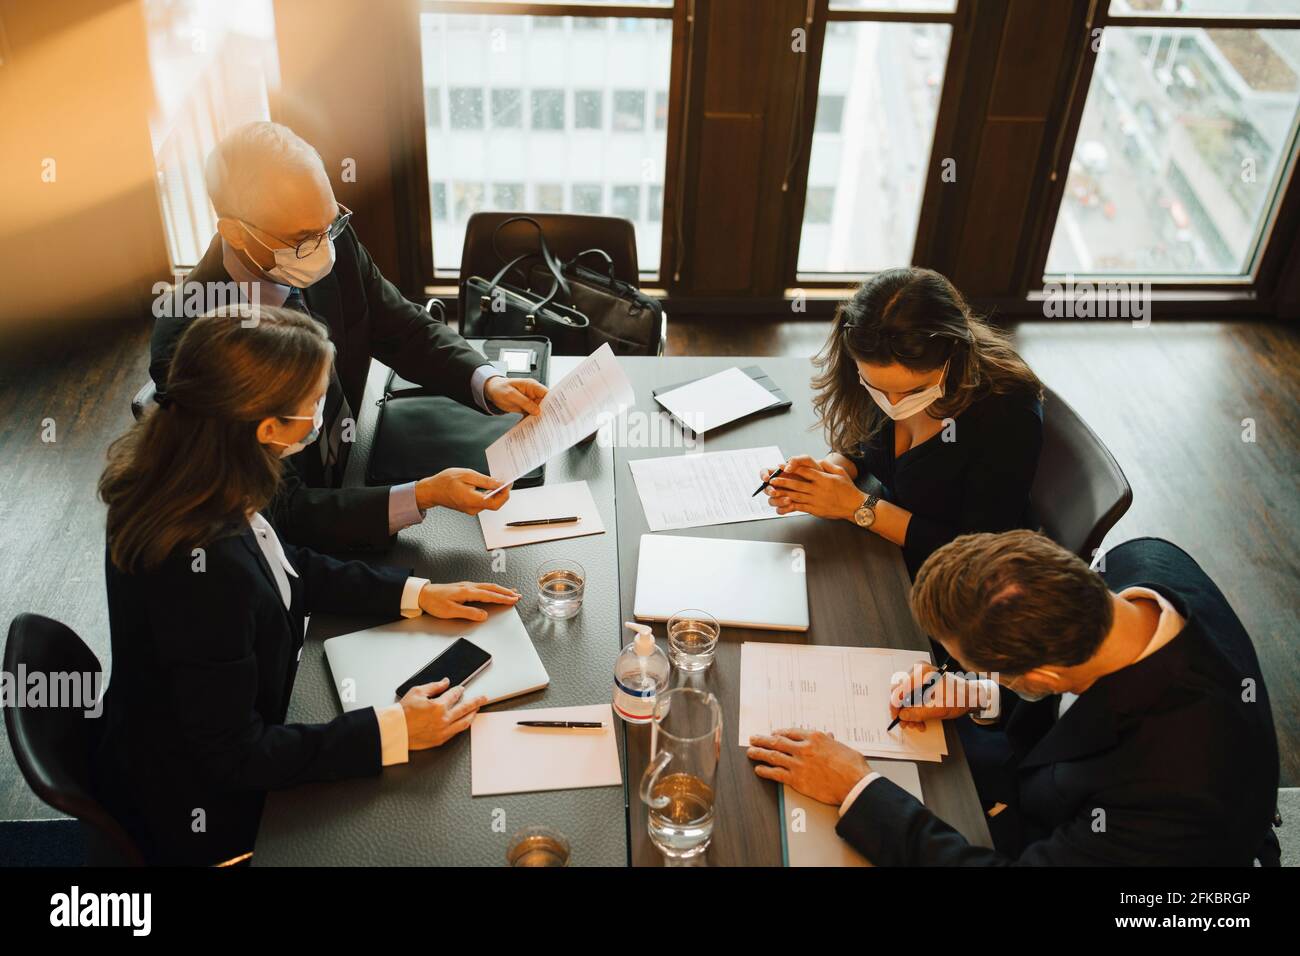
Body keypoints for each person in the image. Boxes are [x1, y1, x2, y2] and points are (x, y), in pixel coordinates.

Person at [96, 307, 520, 866]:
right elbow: (235, 757)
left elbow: (282, 563)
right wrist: (391, 730)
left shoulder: (195, 470)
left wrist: (415, 593)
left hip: (216, 727)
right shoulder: (201, 566)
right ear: (269, 428)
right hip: (210, 811)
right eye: (315, 402)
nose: (326, 412)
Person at [746, 530, 1280, 866]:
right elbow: (1070, 691)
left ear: (1044, 673)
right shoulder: (1142, 563)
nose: (964, 672)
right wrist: (978, 694)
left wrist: (858, 788)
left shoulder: (1172, 791)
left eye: (978, 667)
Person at [149, 121, 545, 553]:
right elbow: (279, 511)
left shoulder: (325, 237)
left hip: (361, 455)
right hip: (308, 541)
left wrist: (488, 382)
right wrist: (420, 497)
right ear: (237, 233)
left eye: (330, 223)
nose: (323, 248)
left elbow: (398, 326)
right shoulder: (190, 340)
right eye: (303, 240)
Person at [761, 268, 1044, 576]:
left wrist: (857, 506)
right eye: (876, 388)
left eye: (913, 391)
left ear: (953, 355)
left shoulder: (1007, 413)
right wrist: (831, 472)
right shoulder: (873, 354)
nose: (892, 404)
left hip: (952, 580)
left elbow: (979, 553)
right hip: (885, 549)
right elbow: (862, 441)